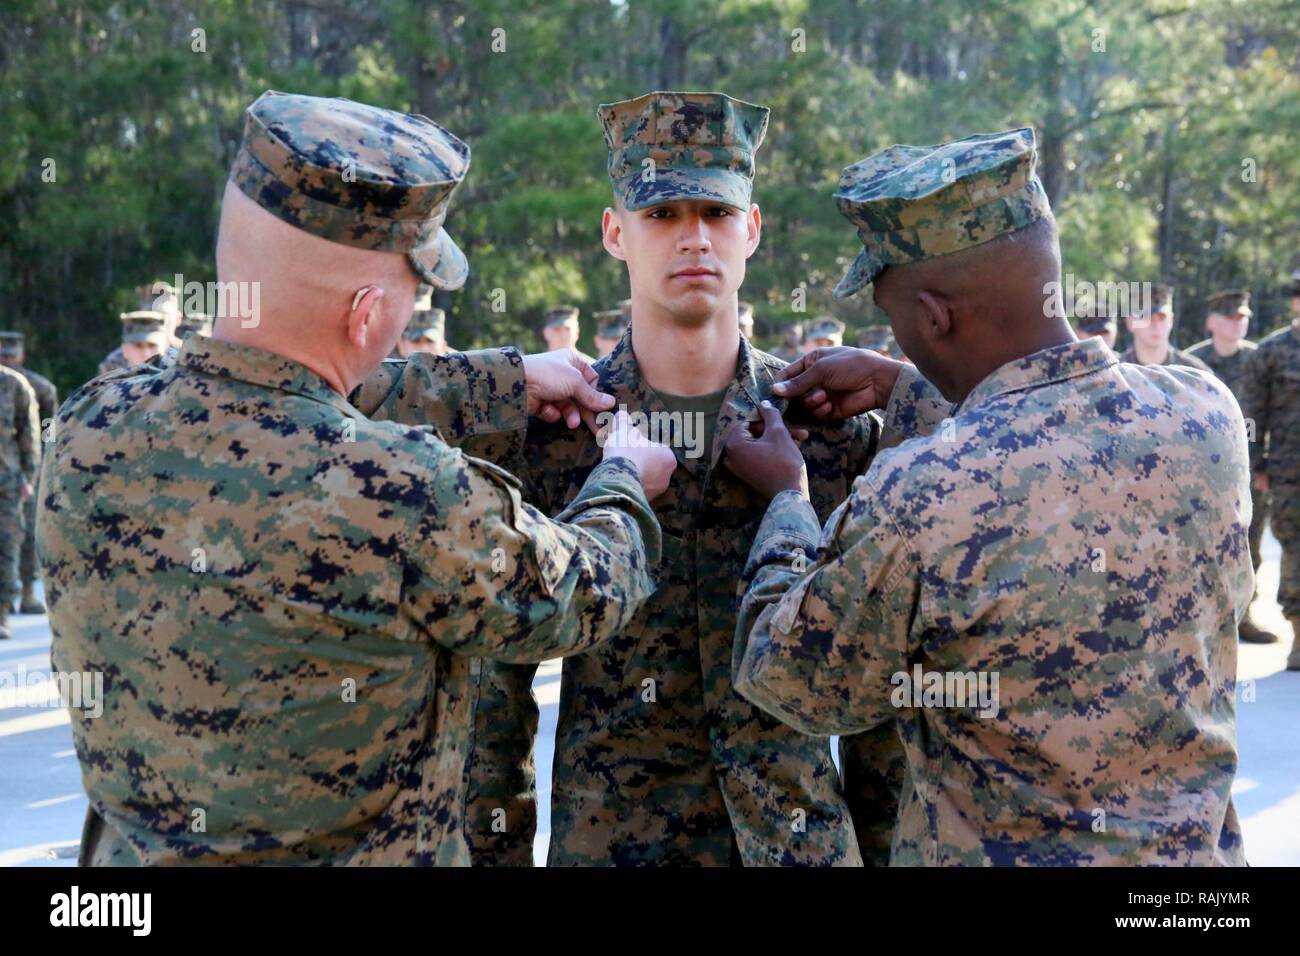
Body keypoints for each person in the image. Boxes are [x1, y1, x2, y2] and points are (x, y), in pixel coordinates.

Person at [39, 89, 675, 866]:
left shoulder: (88, 426)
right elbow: (581, 592)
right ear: (370, 312)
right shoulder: (407, 494)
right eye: (414, 295)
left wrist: (500, 381)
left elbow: (270, 386)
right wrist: (625, 477)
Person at [354, 90, 938, 866]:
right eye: (662, 216)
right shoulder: (560, 434)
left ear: (752, 230)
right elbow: (497, 703)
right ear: (615, 233)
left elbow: (878, 693)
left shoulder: (822, 432)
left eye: (717, 214)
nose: (694, 238)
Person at [722, 127, 1250, 865]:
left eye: (896, 317)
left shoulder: (922, 491)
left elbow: (793, 679)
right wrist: (906, 385)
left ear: (933, 316)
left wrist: (787, 499)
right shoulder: (1206, 414)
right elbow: (1058, 443)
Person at [1187, 290, 1279, 644]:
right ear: (1211, 322)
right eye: (1229, 317)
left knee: (1250, 541)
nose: (1237, 323)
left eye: (1242, 317)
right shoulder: (1193, 363)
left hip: (1249, 467)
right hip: (1207, 471)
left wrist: (1264, 463)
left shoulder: (1260, 358)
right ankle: (1206, 616)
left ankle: (1244, 613)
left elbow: (1274, 412)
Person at [1240, 272, 1300, 671]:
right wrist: (1257, 464)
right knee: (1295, 547)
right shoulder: (1271, 352)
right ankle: (1299, 633)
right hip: (1288, 470)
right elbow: (1252, 413)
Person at [0, 331, 57, 613]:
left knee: (22, 533)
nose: (7, 356)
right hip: (16, 468)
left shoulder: (36, 386)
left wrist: (44, 463)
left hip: (22, 471)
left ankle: (25, 591)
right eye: (3, 351)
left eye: (12, 352)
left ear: (21, 353)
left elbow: (47, 427)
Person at [0, 361, 39, 638]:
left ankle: (1, 612)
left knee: (7, 548)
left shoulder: (14, 385)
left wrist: (29, 476)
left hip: (7, 484)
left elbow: (29, 435)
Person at [1118, 284, 1212, 372]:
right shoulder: (1114, 373)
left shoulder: (1194, 372)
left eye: (1161, 318)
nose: (1155, 326)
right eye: (1146, 317)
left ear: (1171, 321)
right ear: (1130, 322)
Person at [396, 287, 450, 358]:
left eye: (430, 341)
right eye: (416, 341)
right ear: (401, 345)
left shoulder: (462, 365)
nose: (424, 349)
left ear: (443, 345)